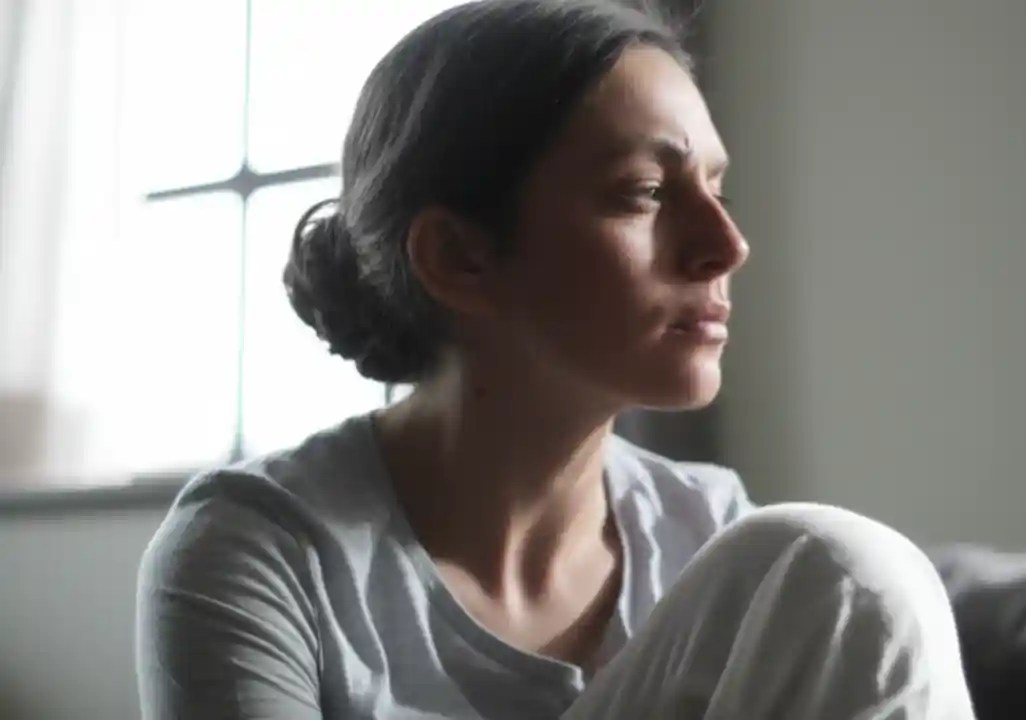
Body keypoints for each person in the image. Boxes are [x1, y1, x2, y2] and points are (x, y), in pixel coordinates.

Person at [135, 1, 976, 718]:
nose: (727, 245)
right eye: (646, 192)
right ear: (460, 256)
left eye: (715, 190)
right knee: (832, 566)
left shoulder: (709, 536)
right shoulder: (258, 550)